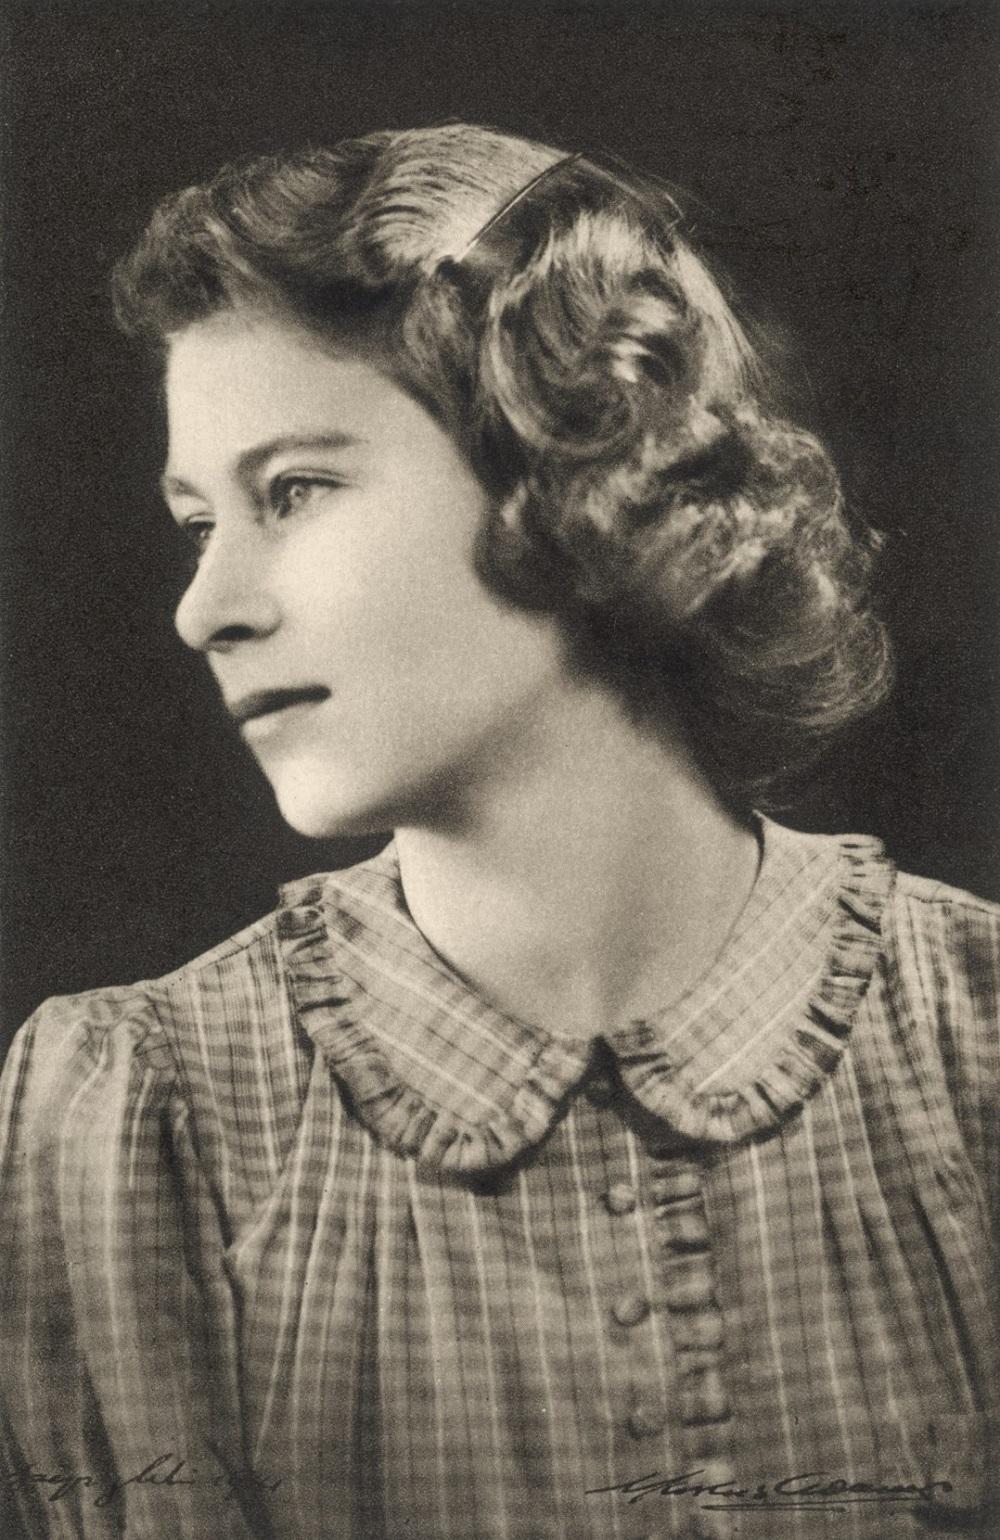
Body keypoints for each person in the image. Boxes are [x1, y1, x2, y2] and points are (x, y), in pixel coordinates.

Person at [0, 123, 996, 1540]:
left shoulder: (975, 1046)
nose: (203, 606)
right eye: (193, 521)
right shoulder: (148, 1122)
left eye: (294, 491)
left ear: (581, 461)